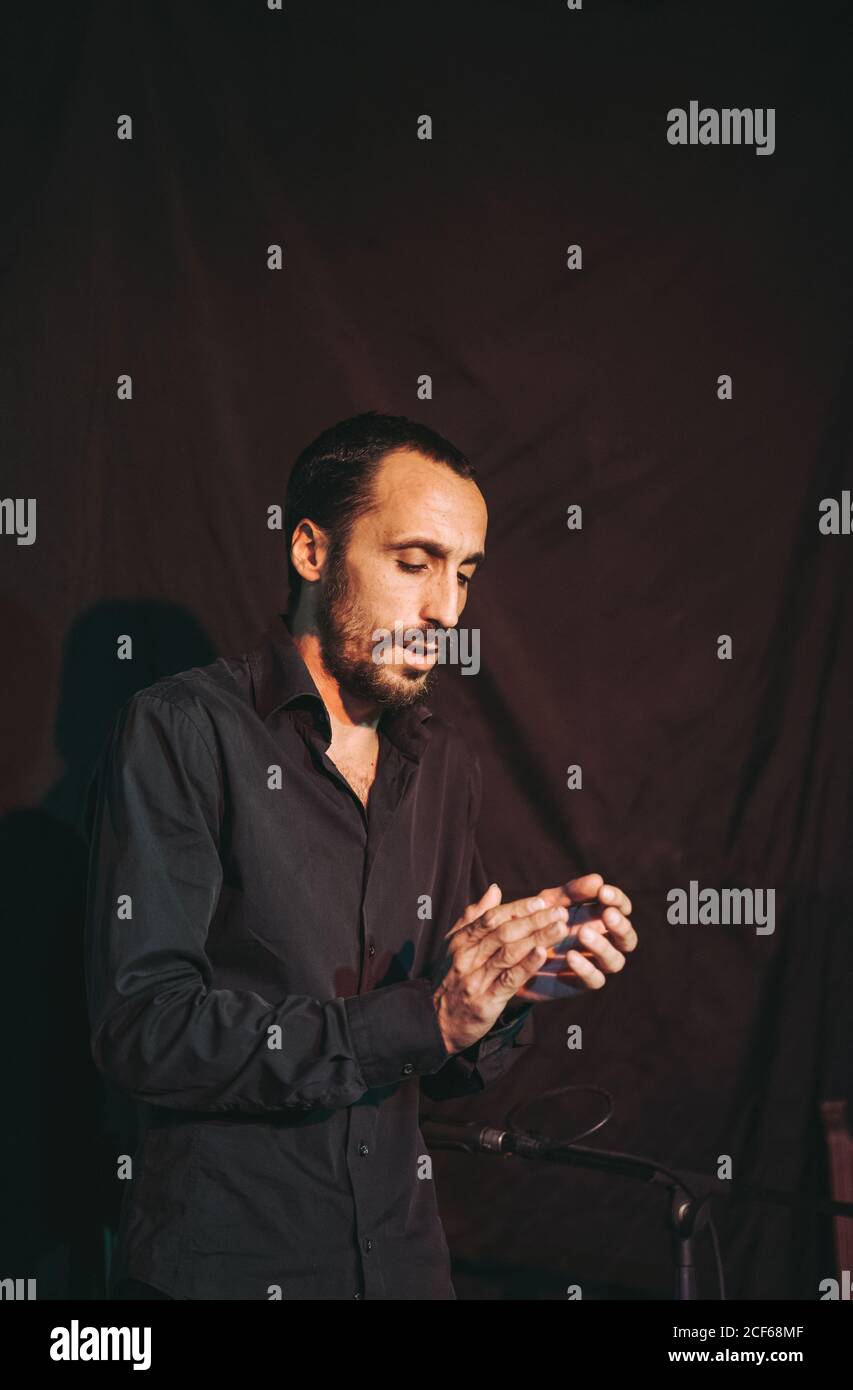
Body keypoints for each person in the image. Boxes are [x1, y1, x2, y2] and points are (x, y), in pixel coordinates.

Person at [84, 411, 637, 1300]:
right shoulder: (182, 731)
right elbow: (145, 1030)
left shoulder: (443, 761)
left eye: (463, 573)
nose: (446, 610)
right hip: (227, 1268)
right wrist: (427, 1018)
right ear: (312, 549)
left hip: (404, 1266)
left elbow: (445, 1061)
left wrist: (509, 987)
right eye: (413, 563)